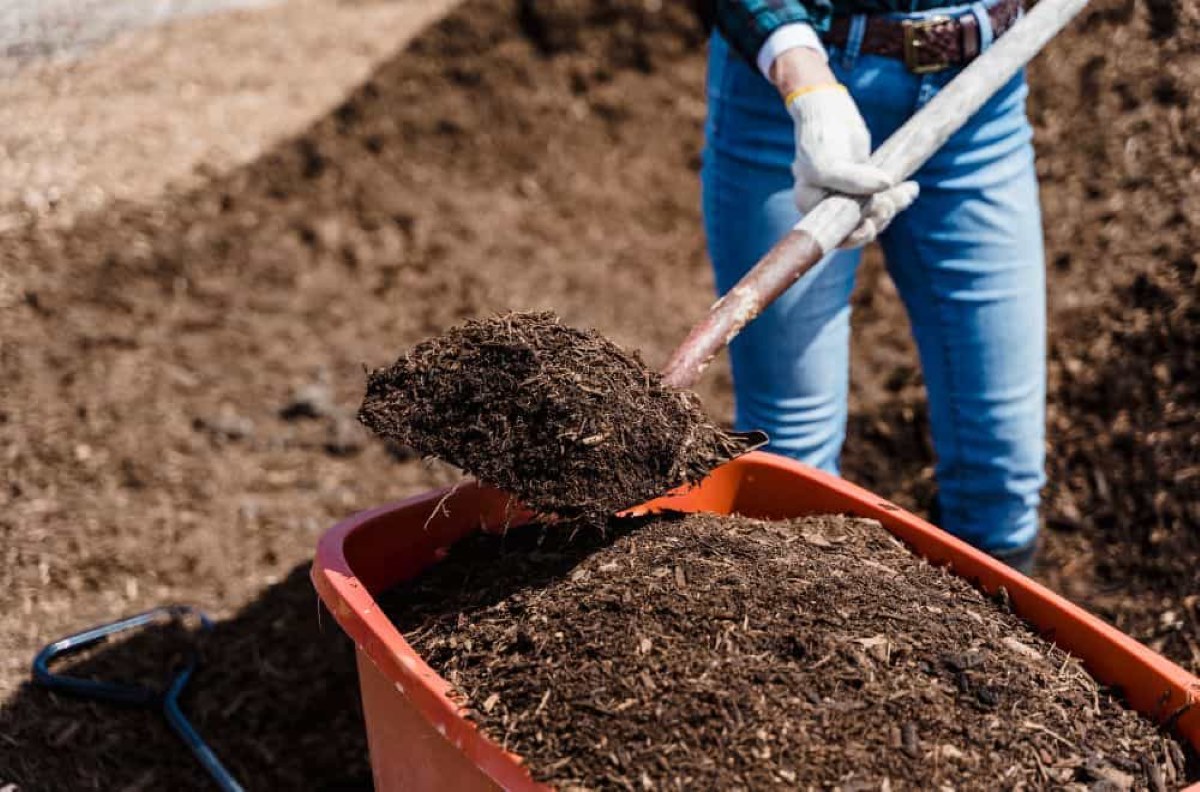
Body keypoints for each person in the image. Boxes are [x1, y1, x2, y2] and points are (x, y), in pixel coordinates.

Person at [705, 0, 1044, 572]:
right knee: (793, 460)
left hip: (982, 88)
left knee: (1003, 470)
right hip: (793, 92)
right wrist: (805, 82)